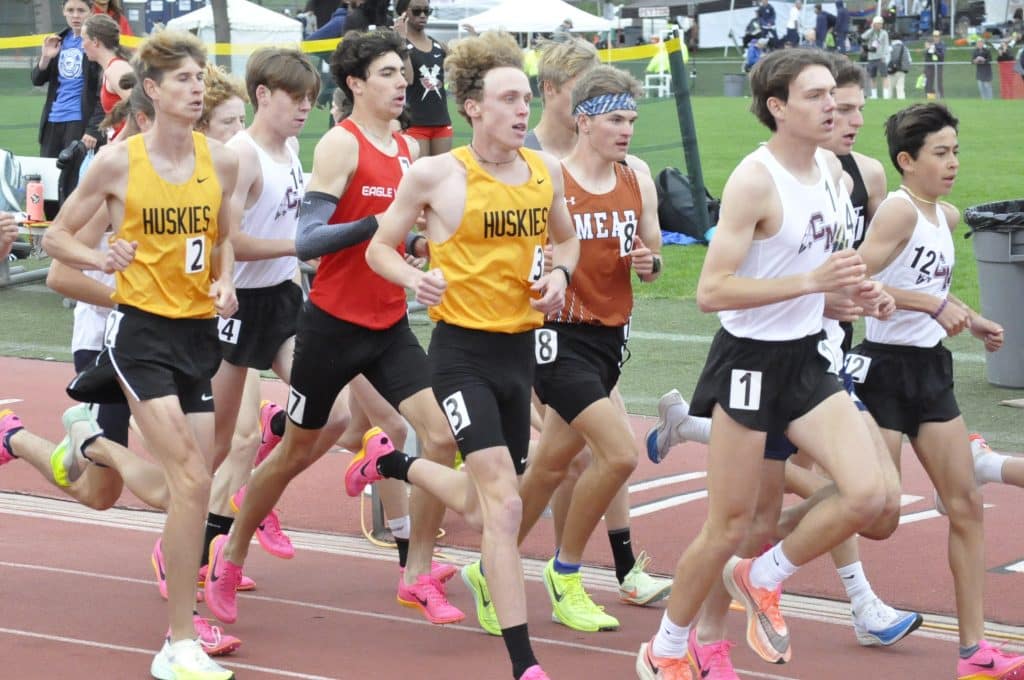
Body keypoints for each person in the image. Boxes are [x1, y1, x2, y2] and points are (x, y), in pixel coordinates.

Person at [636, 48, 889, 680]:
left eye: (833, 92)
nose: (831, 104)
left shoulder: (833, 169)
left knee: (871, 495)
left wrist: (856, 294)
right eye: (815, 95)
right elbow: (711, 292)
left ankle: (763, 575)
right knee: (727, 527)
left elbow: (817, 272)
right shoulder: (755, 180)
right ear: (777, 108)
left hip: (806, 355)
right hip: (748, 361)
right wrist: (810, 282)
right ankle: (665, 649)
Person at [203, 29, 463, 631]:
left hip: (389, 323)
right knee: (295, 448)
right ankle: (230, 552)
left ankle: (416, 570)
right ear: (356, 84)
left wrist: (416, 244)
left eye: (405, 73)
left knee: (439, 435)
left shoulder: (405, 149)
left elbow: (394, 234)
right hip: (330, 326)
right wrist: (380, 222)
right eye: (389, 74)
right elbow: (312, 240)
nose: (404, 83)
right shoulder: (340, 148)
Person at [364, 30, 579, 680]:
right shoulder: (435, 175)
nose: (522, 111)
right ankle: (524, 664)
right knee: (504, 506)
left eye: (525, 98)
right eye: (508, 98)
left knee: (482, 500)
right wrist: (413, 280)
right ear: (472, 107)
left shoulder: (547, 173)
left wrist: (561, 278)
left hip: (521, 356)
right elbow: (378, 248)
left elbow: (567, 244)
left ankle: (392, 460)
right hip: (460, 354)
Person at [43, 29, 240, 680]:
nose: (195, 88)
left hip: (197, 336)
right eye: (183, 79)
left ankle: (92, 444)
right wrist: (103, 258)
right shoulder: (118, 164)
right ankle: (178, 642)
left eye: (200, 77)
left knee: (197, 484)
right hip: (141, 334)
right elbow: (57, 243)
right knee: (186, 479)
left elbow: (223, 240)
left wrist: (225, 280)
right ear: (151, 90)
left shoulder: (223, 161)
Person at [853, 102, 1024, 680]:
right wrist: (931, 304)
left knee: (966, 508)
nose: (952, 162)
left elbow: (928, 285)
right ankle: (762, 549)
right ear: (907, 160)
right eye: (940, 153)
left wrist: (969, 318)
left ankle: (975, 652)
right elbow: (858, 281)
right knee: (876, 515)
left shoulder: (944, 216)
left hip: (931, 370)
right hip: (883, 372)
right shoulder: (899, 213)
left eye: (956, 151)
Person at [510, 64, 668, 635]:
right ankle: (566, 573)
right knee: (620, 454)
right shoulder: (548, 177)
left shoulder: (637, 176)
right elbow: (524, 255)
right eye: (615, 119)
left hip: (609, 339)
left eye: (631, 119)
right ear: (584, 121)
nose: (626, 130)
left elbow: (650, 258)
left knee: (552, 463)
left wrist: (651, 263)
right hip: (556, 338)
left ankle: (488, 566)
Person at [32, 0, 104, 160]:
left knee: (75, 179)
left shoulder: (96, 43)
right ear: (63, 11)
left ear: (91, 11)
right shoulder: (59, 40)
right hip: (52, 119)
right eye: (70, 10)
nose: (75, 15)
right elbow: (37, 79)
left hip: (80, 122)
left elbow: (104, 93)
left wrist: (94, 129)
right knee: (48, 174)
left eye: (81, 10)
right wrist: (45, 57)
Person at [394, 0, 452, 156]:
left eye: (427, 11)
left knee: (442, 176)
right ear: (404, 13)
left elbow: (460, 70)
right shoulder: (399, 45)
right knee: (420, 175)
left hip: (442, 121)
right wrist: (401, 41)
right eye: (417, 11)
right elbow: (409, 79)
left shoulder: (439, 45)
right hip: (415, 122)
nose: (423, 15)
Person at [81, 14, 132, 140]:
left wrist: (118, 140)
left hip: (131, 147)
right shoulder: (109, 70)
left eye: (83, 39)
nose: (82, 45)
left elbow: (141, 108)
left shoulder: (116, 69)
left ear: (95, 42)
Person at [861, 16, 890, 99]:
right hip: (871, 58)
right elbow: (863, 37)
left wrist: (885, 56)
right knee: (872, 77)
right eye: (878, 24)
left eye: (881, 24)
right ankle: (874, 95)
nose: (879, 25)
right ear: (874, 24)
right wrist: (871, 29)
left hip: (881, 58)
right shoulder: (871, 32)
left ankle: (886, 96)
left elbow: (886, 45)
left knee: (884, 76)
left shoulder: (884, 33)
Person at [925, 30, 946, 98]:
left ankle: (941, 97)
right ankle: (931, 98)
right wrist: (928, 49)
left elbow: (942, 56)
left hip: (938, 66)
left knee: (939, 82)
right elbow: (927, 56)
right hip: (930, 66)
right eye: (934, 36)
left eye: (937, 36)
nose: (935, 38)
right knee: (929, 83)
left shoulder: (942, 45)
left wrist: (935, 51)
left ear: (939, 37)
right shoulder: (930, 44)